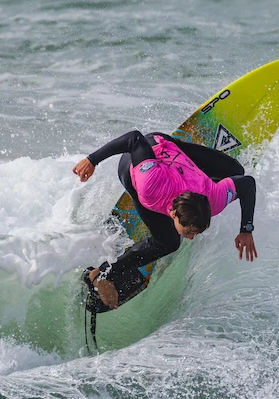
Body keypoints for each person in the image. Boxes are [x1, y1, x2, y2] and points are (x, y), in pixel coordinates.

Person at [73, 130, 257, 309]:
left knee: (236, 170)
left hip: (175, 157)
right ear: (173, 215)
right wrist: (92, 160)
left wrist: (246, 229)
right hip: (138, 163)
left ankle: (195, 172)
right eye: (189, 232)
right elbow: (134, 139)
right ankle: (102, 275)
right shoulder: (151, 186)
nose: (191, 237)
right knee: (168, 242)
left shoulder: (215, 198)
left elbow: (248, 184)